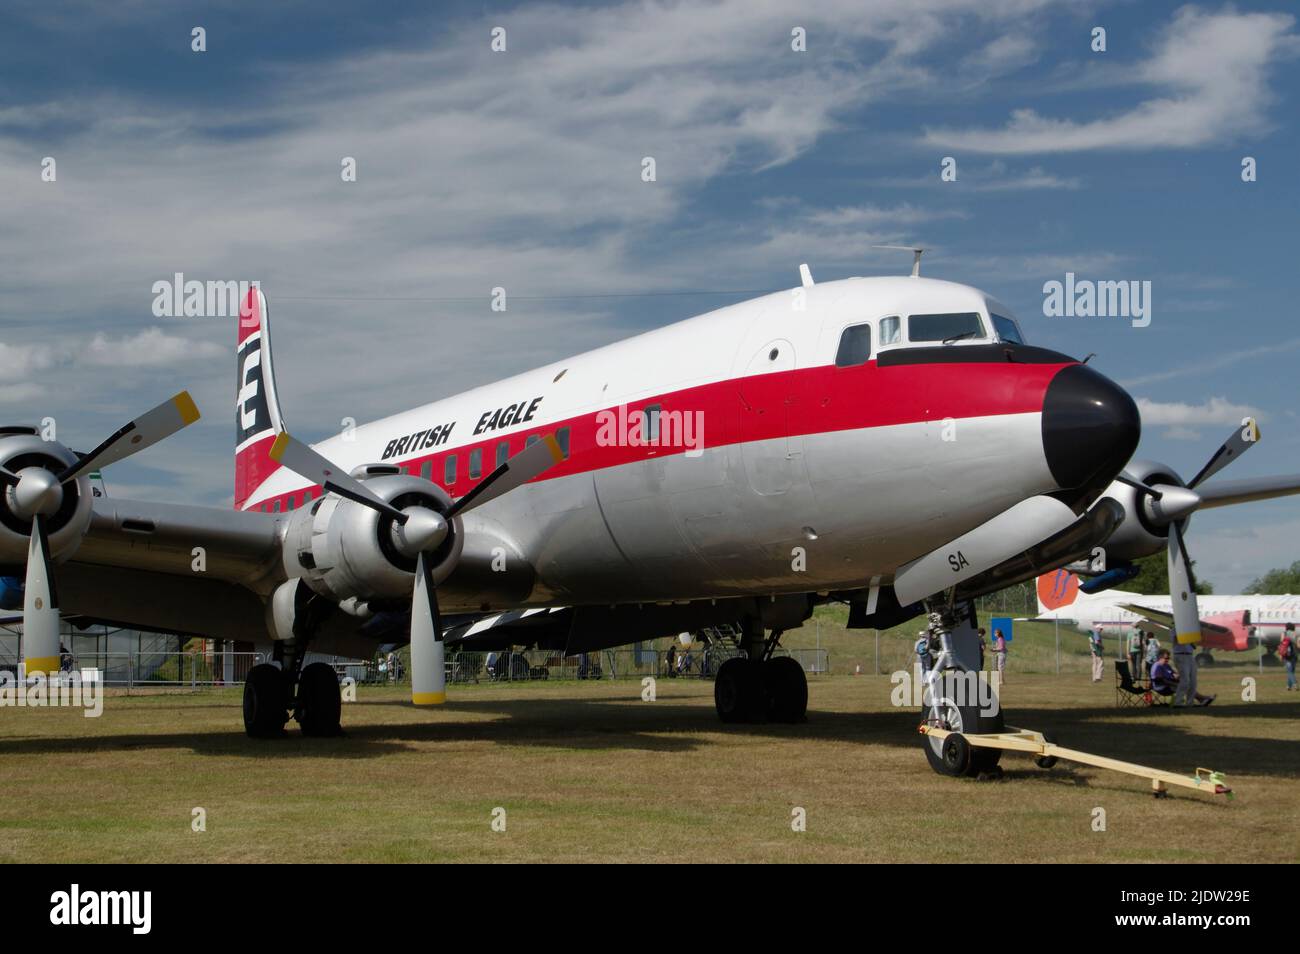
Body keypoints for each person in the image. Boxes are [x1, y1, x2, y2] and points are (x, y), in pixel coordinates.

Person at [1170, 639, 1215, 707]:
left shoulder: (1189, 629)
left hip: (1190, 655)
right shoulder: (1175, 630)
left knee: (1193, 681)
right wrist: (1186, 636)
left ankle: (1190, 702)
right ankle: (1178, 702)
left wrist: (1192, 639)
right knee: (1185, 680)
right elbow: (1176, 640)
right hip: (1180, 655)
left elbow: (1194, 645)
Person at [1281, 623, 1297, 691]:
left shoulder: (1284, 633)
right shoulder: (1295, 634)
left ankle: (1293, 684)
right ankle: (1289, 685)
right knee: (1292, 671)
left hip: (1286, 654)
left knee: (1289, 671)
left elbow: (1281, 641)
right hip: (1294, 654)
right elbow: (1297, 644)